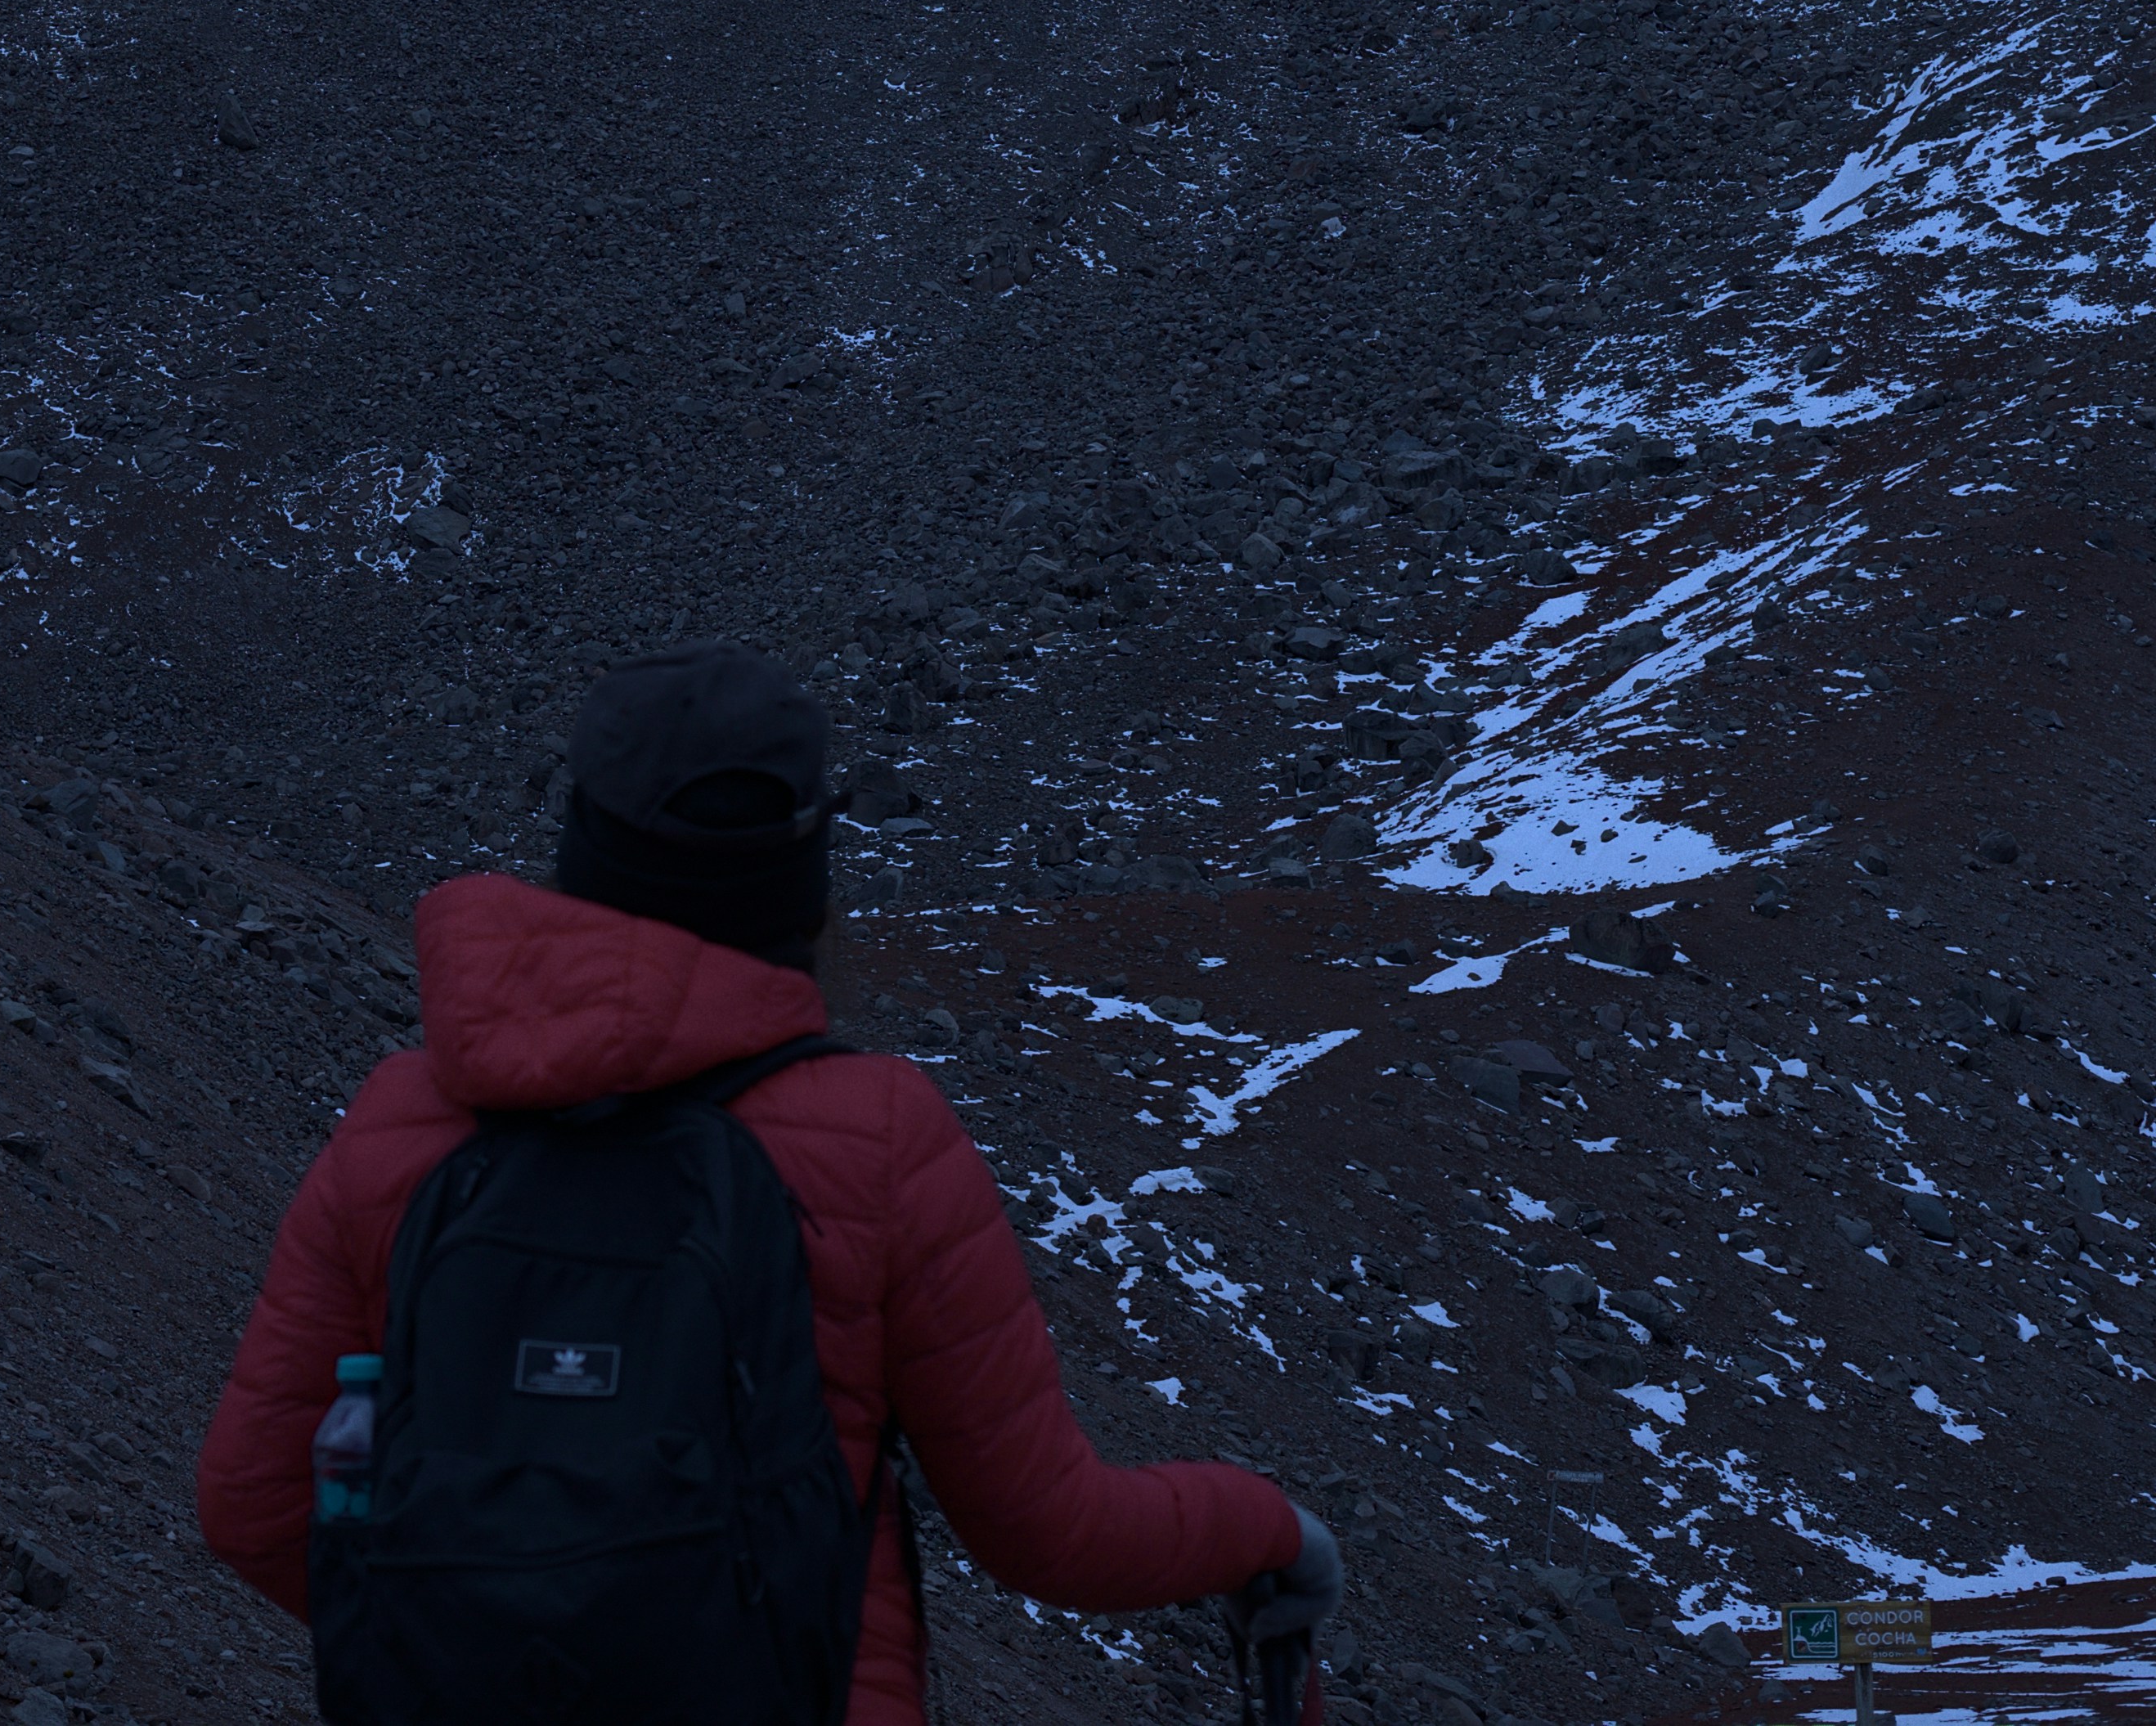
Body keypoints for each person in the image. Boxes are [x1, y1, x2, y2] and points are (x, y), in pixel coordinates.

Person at [197, 642, 1344, 1721]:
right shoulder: (876, 1135)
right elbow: (1049, 1530)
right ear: (802, 870)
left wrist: (493, 1628)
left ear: (583, 844)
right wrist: (1269, 1528)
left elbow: (251, 1506)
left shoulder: (404, 1121)